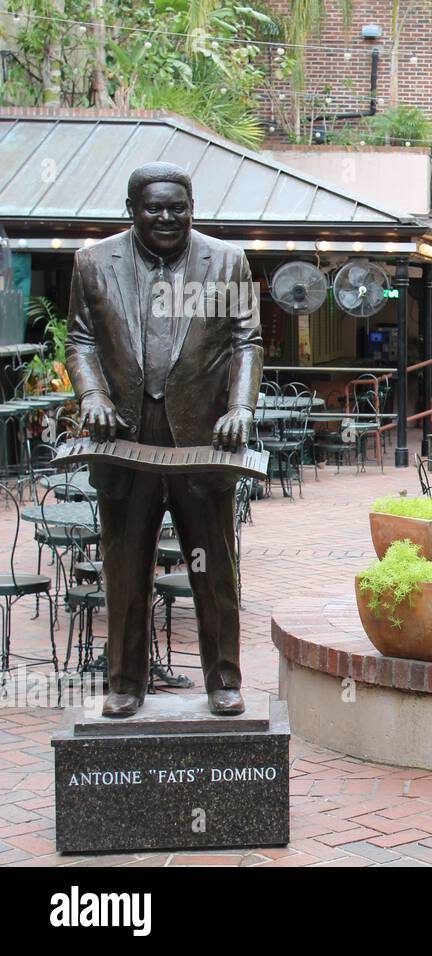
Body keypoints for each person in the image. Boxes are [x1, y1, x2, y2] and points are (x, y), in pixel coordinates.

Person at [66, 161, 262, 718]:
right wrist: (92, 397)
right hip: (124, 438)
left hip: (202, 441)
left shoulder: (226, 261)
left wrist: (240, 406)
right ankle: (125, 684)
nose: (167, 217)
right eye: (154, 207)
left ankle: (224, 679)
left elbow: (247, 341)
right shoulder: (93, 261)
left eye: (178, 206)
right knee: (126, 567)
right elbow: (80, 339)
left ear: (192, 207)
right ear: (132, 210)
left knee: (212, 567)